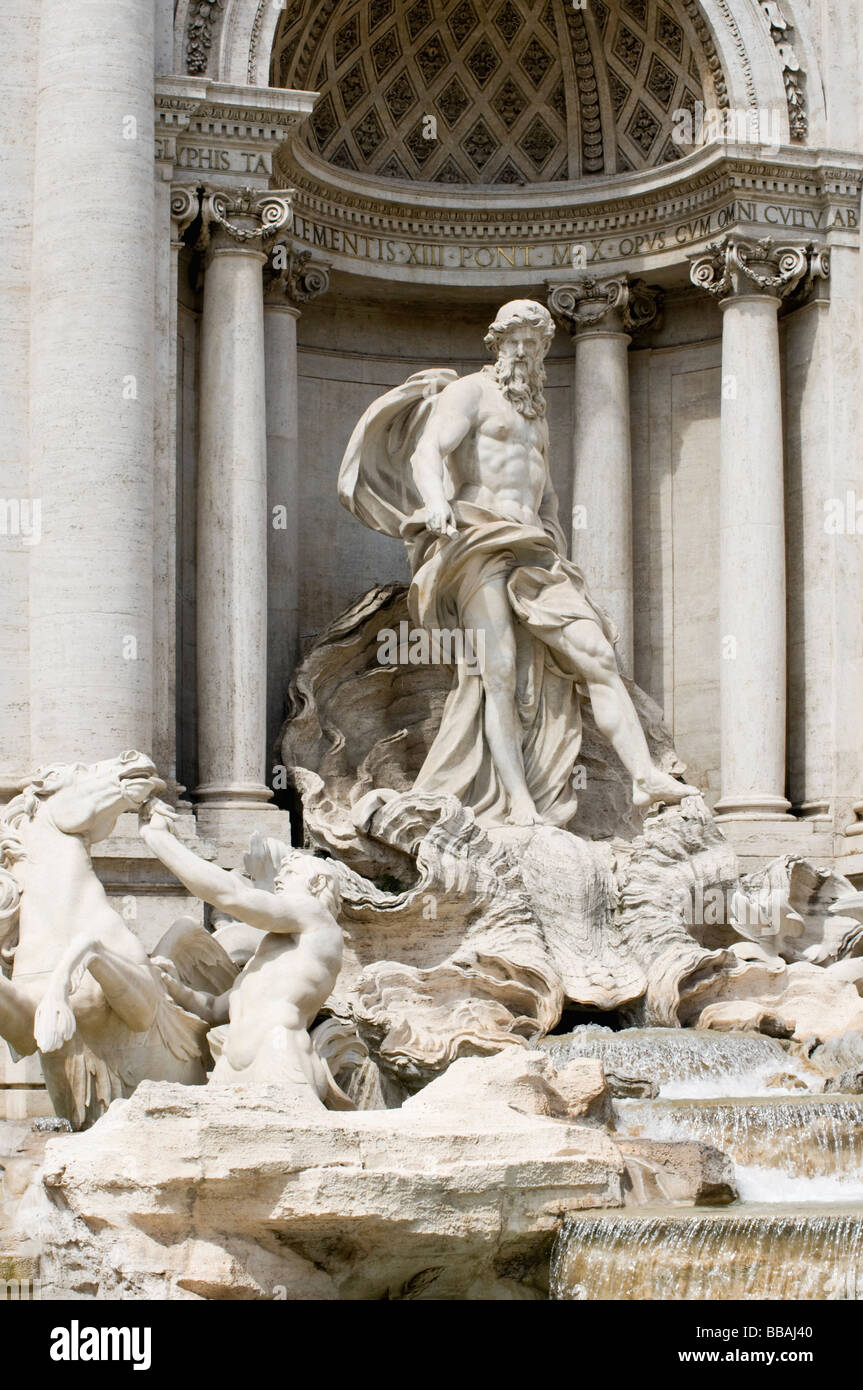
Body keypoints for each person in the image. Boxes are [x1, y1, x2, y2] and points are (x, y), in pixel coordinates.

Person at [339, 298, 696, 827]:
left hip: (533, 547)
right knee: (497, 671)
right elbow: (427, 453)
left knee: (596, 653)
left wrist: (555, 540)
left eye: (535, 344)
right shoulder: (470, 391)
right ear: (497, 344)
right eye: (516, 342)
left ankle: (643, 776)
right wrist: (436, 505)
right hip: (476, 537)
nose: (524, 352)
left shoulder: (536, 415)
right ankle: (517, 801)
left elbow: (545, 492)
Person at [138, 800, 352, 1107]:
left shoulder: (316, 918)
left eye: (288, 873)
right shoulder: (269, 955)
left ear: (316, 883)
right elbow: (214, 1010)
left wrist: (160, 840)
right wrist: (175, 986)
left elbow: (233, 896)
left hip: (278, 1054)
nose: (277, 880)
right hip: (231, 1065)